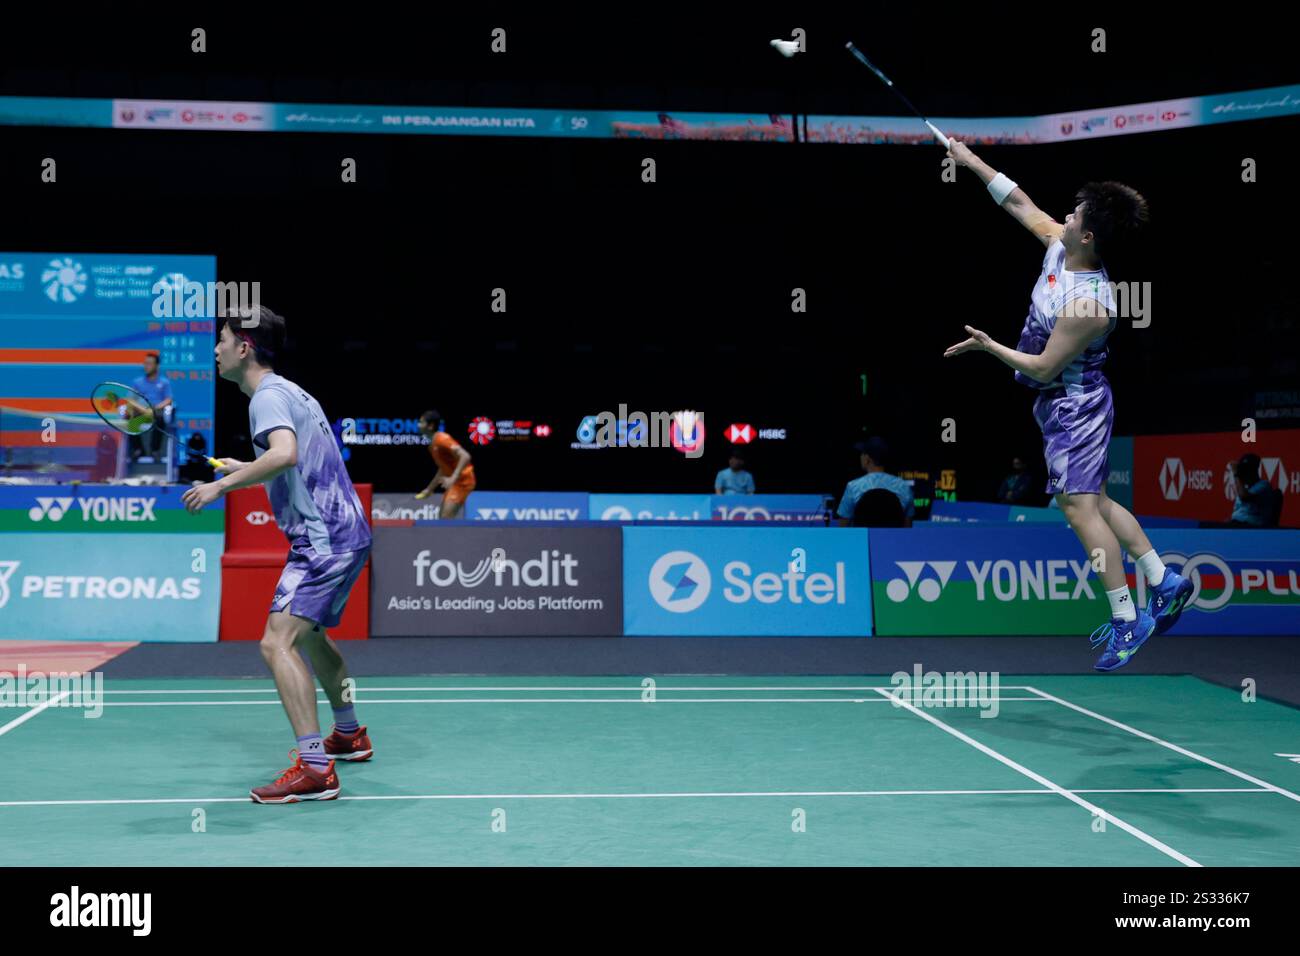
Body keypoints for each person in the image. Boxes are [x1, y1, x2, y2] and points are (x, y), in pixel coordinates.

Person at [942, 138, 1192, 671]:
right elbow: (1019, 203)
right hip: (1062, 403)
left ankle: (1127, 618)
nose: (1066, 216)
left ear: (1090, 235)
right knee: (1094, 501)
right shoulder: (1062, 244)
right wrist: (969, 161)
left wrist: (989, 347)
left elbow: (1042, 367)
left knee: (1078, 509)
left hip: (1074, 407)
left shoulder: (1089, 305)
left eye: (1075, 214)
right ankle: (1163, 579)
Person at [182, 305, 374, 803]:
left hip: (322, 540)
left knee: (276, 643)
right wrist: (245, 467)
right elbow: (292, 461)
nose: (216, 349)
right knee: (310, 637)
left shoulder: (266, 397)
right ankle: (348, 734)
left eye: (222, 340)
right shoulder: (291, 391)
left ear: (244, 347)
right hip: (349, 532)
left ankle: (316, 770)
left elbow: (285, 454)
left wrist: (220, 486)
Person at [836, 437, 913, 527]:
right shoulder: (903, 486)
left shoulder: (853, 487)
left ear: (867, 459)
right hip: (893, 536)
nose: (860, 457)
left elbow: (843, 527)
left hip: (863, 536)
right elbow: (907, 528)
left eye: (862, 454)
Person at [415, 410, 476, 519]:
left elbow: (465, 456)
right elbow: (443, 469)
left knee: (445, 518)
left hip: (463, 481)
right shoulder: (432, 445)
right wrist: (430, 489)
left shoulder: (442, 439)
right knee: (442, 518)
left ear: (430, 426)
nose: (418, 425)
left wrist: (453, 477)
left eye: (421, 422)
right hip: (455, 483)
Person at [130, 351, 173, 460]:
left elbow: (168, 400)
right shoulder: (137, 382)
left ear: (156, 366)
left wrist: (154, 409)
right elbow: (131, 400)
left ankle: (155, 450)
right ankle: (138, 450)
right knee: (131, 420)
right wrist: (143, 410)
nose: (146, 366)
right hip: (141, 413)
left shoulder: (164, 382)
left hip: (156, 412)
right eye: (145, 363)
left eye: (149, 363)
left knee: (160, 419)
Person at [1228, 453, 1274, 527]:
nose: (1244, 473)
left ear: (1254, 471)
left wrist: (1236, 475)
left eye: (1247, 470)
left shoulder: (1264, 486)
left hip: (1252, 527)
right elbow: (1237, 512)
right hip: (1237, 524)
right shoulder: (1244, 488)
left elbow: (1244, 497)